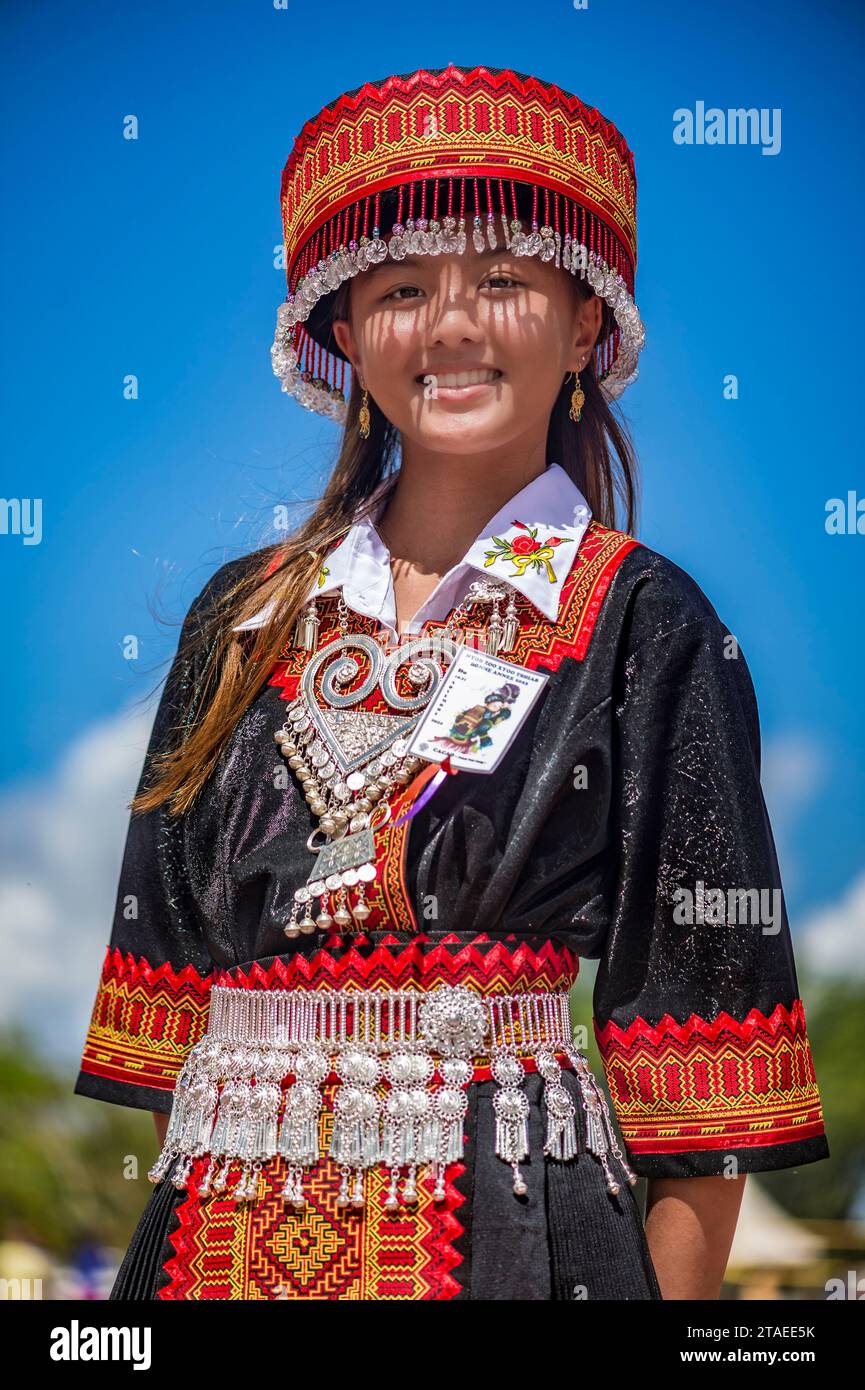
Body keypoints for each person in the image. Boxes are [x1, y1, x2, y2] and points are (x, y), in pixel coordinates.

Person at [74, 63, 829, 1301]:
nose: (452, 325)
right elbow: (165, 1008)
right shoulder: (244, 617)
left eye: (505, 282)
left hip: (515, 1234)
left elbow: (705, 1058)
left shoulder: (645, 621)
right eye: (404, 287)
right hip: (218, 1236)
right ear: (342, 331)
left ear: (586, 324)